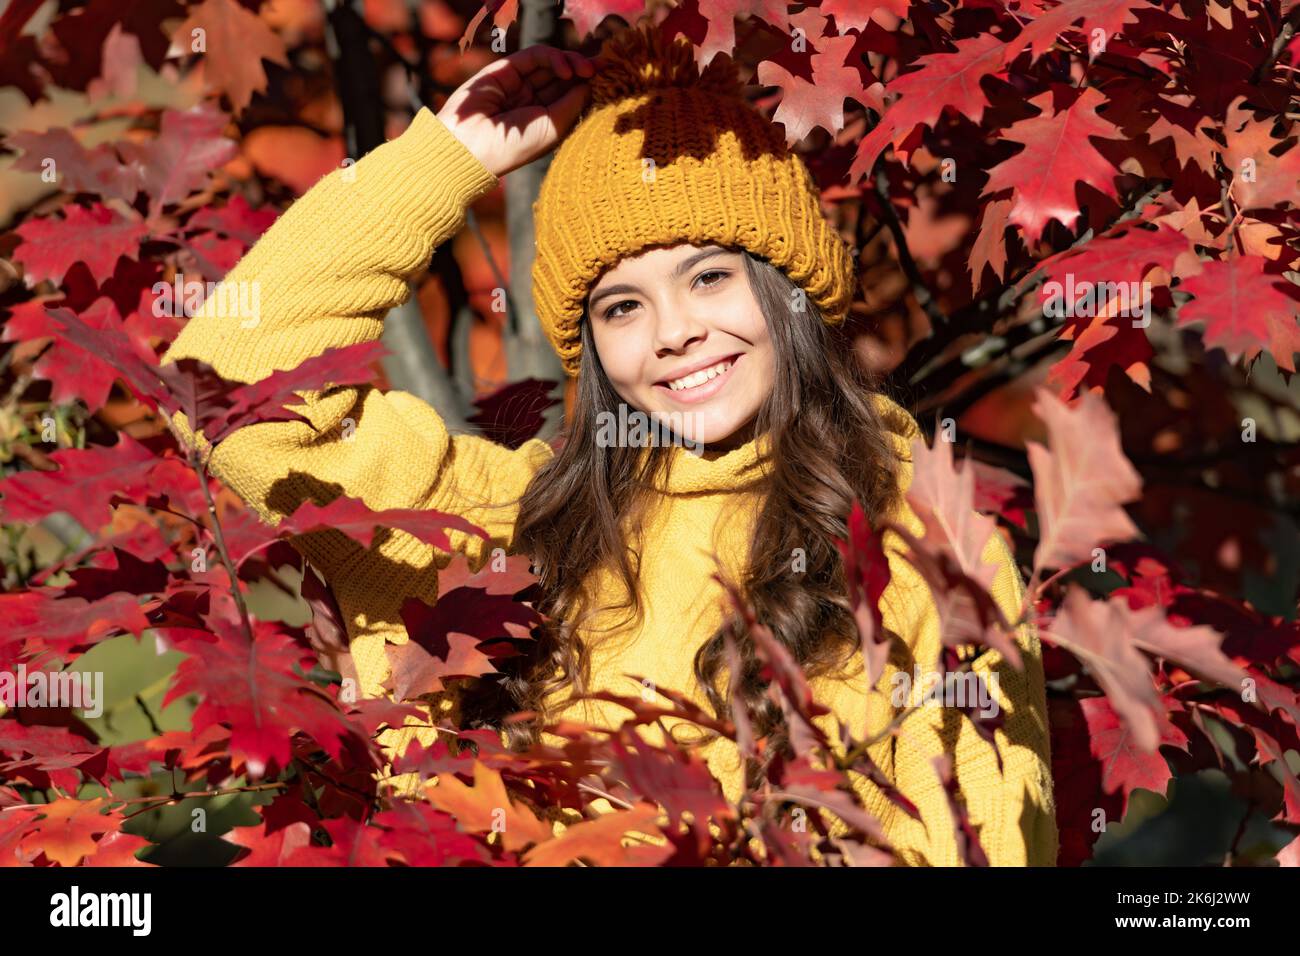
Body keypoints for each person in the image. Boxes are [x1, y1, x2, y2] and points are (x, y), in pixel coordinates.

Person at [161, 22, 1057, 866]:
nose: (673, 332)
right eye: (621, 306)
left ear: (792, 292)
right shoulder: (505, 527)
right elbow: (227, 380)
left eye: (710, 276)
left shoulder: (929, 541)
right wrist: (450, 160)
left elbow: (982, 839)